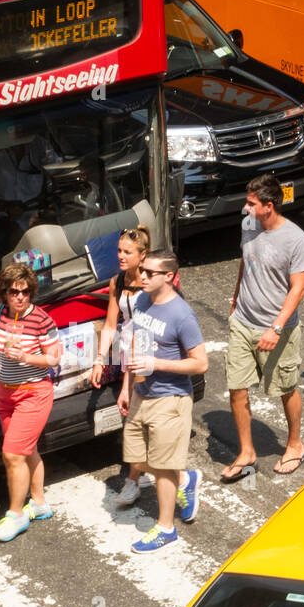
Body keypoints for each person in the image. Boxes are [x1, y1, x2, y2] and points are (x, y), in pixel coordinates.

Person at [222, 173, 304, 481]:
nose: (246, 208)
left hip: (277, 329)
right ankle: (247, 452)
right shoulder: (248, 225)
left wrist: (276, 328)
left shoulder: (295, 239)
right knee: (236, 387)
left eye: (251, 203)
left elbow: (298, 288)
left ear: (269, 206)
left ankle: (295, 444)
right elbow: (246, 262)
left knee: (285, 389)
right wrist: (235, 297)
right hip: (243, 322)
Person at [118, 249, 208, 554]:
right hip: (142, 394)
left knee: (162, 465)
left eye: (149, 273)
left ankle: (166, 528)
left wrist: (157, 364)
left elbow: (201, 363)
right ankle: (186, 478)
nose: (141, 276)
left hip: (171, 398)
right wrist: (127, 387)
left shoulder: (182, 315)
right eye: (142, 270)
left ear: (168, 276)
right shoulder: (142, 300)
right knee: (137, 460)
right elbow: (136, 343)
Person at [0, 261, 61, 543]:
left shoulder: (42, 320)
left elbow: (53, 358)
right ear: (4, 292)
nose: (20, 297)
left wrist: (25, 357)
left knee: (13, 454)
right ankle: (38, 504)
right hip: (4, 393)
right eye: (14, 292)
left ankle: (16, 515)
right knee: (26, 451)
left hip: (33, 393)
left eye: (25, 292)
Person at [92, 225, 154, 506]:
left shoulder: (151, 283)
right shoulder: (117, 282)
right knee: (135, 419)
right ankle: (142, 475)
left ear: (142, 256)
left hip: (150, 355)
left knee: (138, 420)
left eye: (127, 252)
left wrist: (128, 382)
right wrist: (99, 358)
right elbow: (110, 324)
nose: (120, 255)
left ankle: (136, 479)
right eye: (118, 250)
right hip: (129, 354)